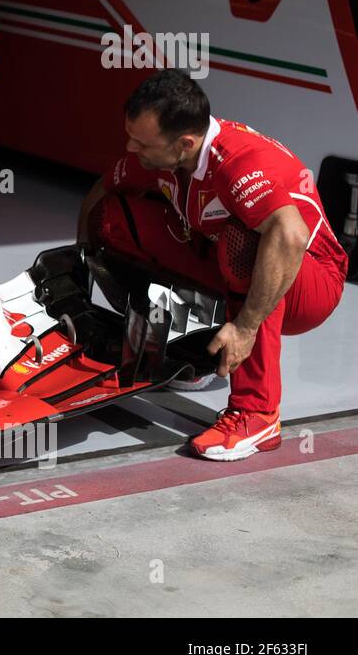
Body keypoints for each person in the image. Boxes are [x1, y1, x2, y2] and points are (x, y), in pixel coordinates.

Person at [78, 70, 348, 461]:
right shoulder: (163, 154)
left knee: (246, 240)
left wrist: (246, 326)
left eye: (141, 141)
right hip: (232, 259)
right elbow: (104, 189)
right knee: (112, 218)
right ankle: (195, 353)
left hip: (311, 280)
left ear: (185, 143)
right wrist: (82, 256)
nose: (129, 147)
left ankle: (257, 414)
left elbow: (288, 235)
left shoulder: (239, 163)